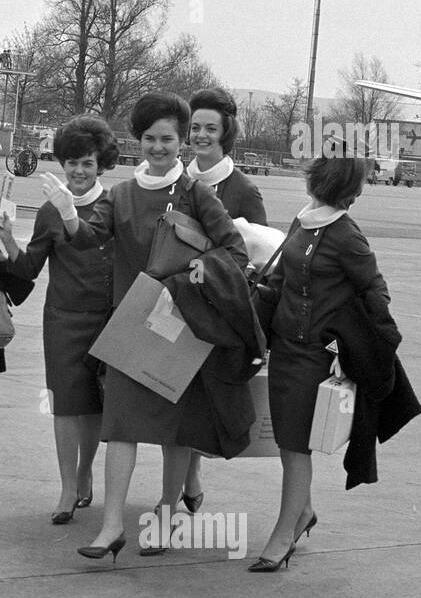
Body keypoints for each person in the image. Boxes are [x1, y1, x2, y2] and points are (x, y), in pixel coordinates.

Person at [41, 92, 249, 565]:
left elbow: (233, 249)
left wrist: (201, 268)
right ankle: (112, 525)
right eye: (151, 139)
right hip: (132, 324)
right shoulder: (122, 194)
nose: (159, 148)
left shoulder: (198, 194)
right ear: (139, 140)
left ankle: (167, 512)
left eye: (168, 139)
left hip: (182, 325)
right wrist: (70, 214)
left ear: (181, 142)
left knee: (177, 430)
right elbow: (92, 238)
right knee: (120, 426)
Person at [249, 151, 389, 571]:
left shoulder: (347, 236)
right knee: (287, 443)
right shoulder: (304, 220)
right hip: (284, 349)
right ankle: (303, 512)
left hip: (314, 358)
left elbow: (376, 296)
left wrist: (351, 348)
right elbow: (281, 280)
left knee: (294, 448)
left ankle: (282, 535)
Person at [0, 116, 118, 523]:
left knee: (96, 406)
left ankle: (84, 474)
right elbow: (29, 269)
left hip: (105, 319)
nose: (78, 172)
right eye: (71, 163)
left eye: (86, 163)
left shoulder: (113, 206)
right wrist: (9, 240)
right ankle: (67, 488)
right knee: (64, 406)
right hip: (62, 320)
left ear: (101, 164)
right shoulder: (49, 212)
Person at [179, 87, 269, 514]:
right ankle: (183, 476)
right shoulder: (176, 179)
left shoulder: (244, 191)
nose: (200, 135)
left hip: (218, 312)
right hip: (176, 302)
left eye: (209, 128)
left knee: (201, 395)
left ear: (225, 133)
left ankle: (191, 473)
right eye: (194, 127)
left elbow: (261, 258)